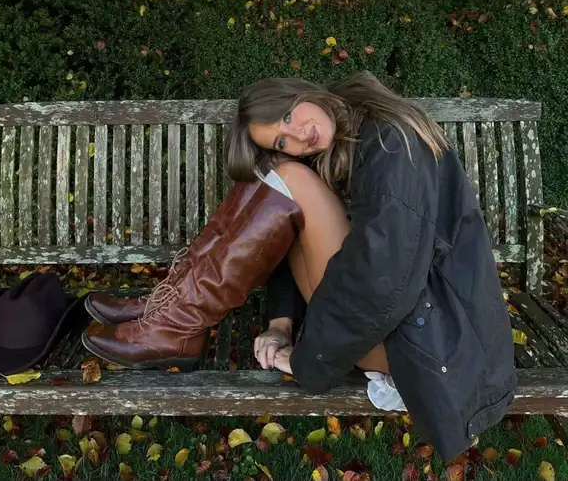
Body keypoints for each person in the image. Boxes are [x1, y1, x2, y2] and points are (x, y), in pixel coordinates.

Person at [83, 72, 516, 460]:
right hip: (400, 325)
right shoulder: (347, 136)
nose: (297, 135)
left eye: (288, 116)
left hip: (433, 346)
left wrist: (311, 361)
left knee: (286, 179)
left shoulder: (388, 144)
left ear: (303, 93)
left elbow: (384, 280)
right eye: (281, 140)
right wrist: (281, 323)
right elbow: (300, 241)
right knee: (281, 178)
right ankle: (172, 312)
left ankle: (177, 324)